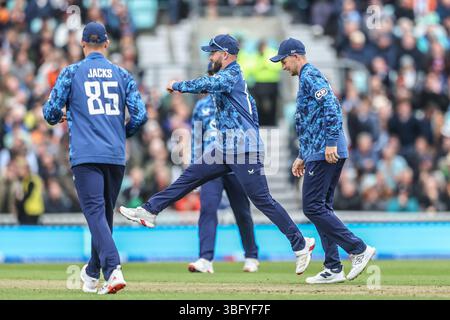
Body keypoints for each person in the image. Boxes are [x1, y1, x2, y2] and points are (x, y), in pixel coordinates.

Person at [119, 34, 316, 276]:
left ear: (225, 54)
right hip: (225, 148)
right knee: (189, 177)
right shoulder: (228, 80)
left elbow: (210, 84)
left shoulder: (231, 74)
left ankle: (300, 243)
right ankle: (149, 210)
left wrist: (178, 85)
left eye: (213, 52)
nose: (210, 56)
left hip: (243, 149)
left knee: (262, 200)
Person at [43, 22, 147, 294]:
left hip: (87, 154)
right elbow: (140, 115)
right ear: (107, 43)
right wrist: (120, 132)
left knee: (95, 214)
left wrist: (64, 116)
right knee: (103, 217)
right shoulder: (122, 74)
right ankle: (91, 273)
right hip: (115, 154)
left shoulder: (72, 72)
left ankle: (113, 269)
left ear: (82, 44)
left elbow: (50, 112)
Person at [270, 38, 376, 284]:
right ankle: (333, 267)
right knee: (321, 209)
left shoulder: (310, 75)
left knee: (312, 207)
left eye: (283, 60)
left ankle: (358, 248)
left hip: (326, 151)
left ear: (296, 56)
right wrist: (301, 155)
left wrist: (330, 142)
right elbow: (309, 121)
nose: (283, 66)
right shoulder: (306, 77)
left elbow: (332, 107)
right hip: (317, 151)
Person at [189, 62, 259, 274]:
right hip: (211, 163)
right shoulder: (202, 107)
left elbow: (252, 129)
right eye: (211, 76)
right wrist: (195, 168)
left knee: (242, 211)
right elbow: (196, 138)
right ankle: (205, 258)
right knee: (208, 209)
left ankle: (251, 256)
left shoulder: (241, 100)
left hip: (236, 161)